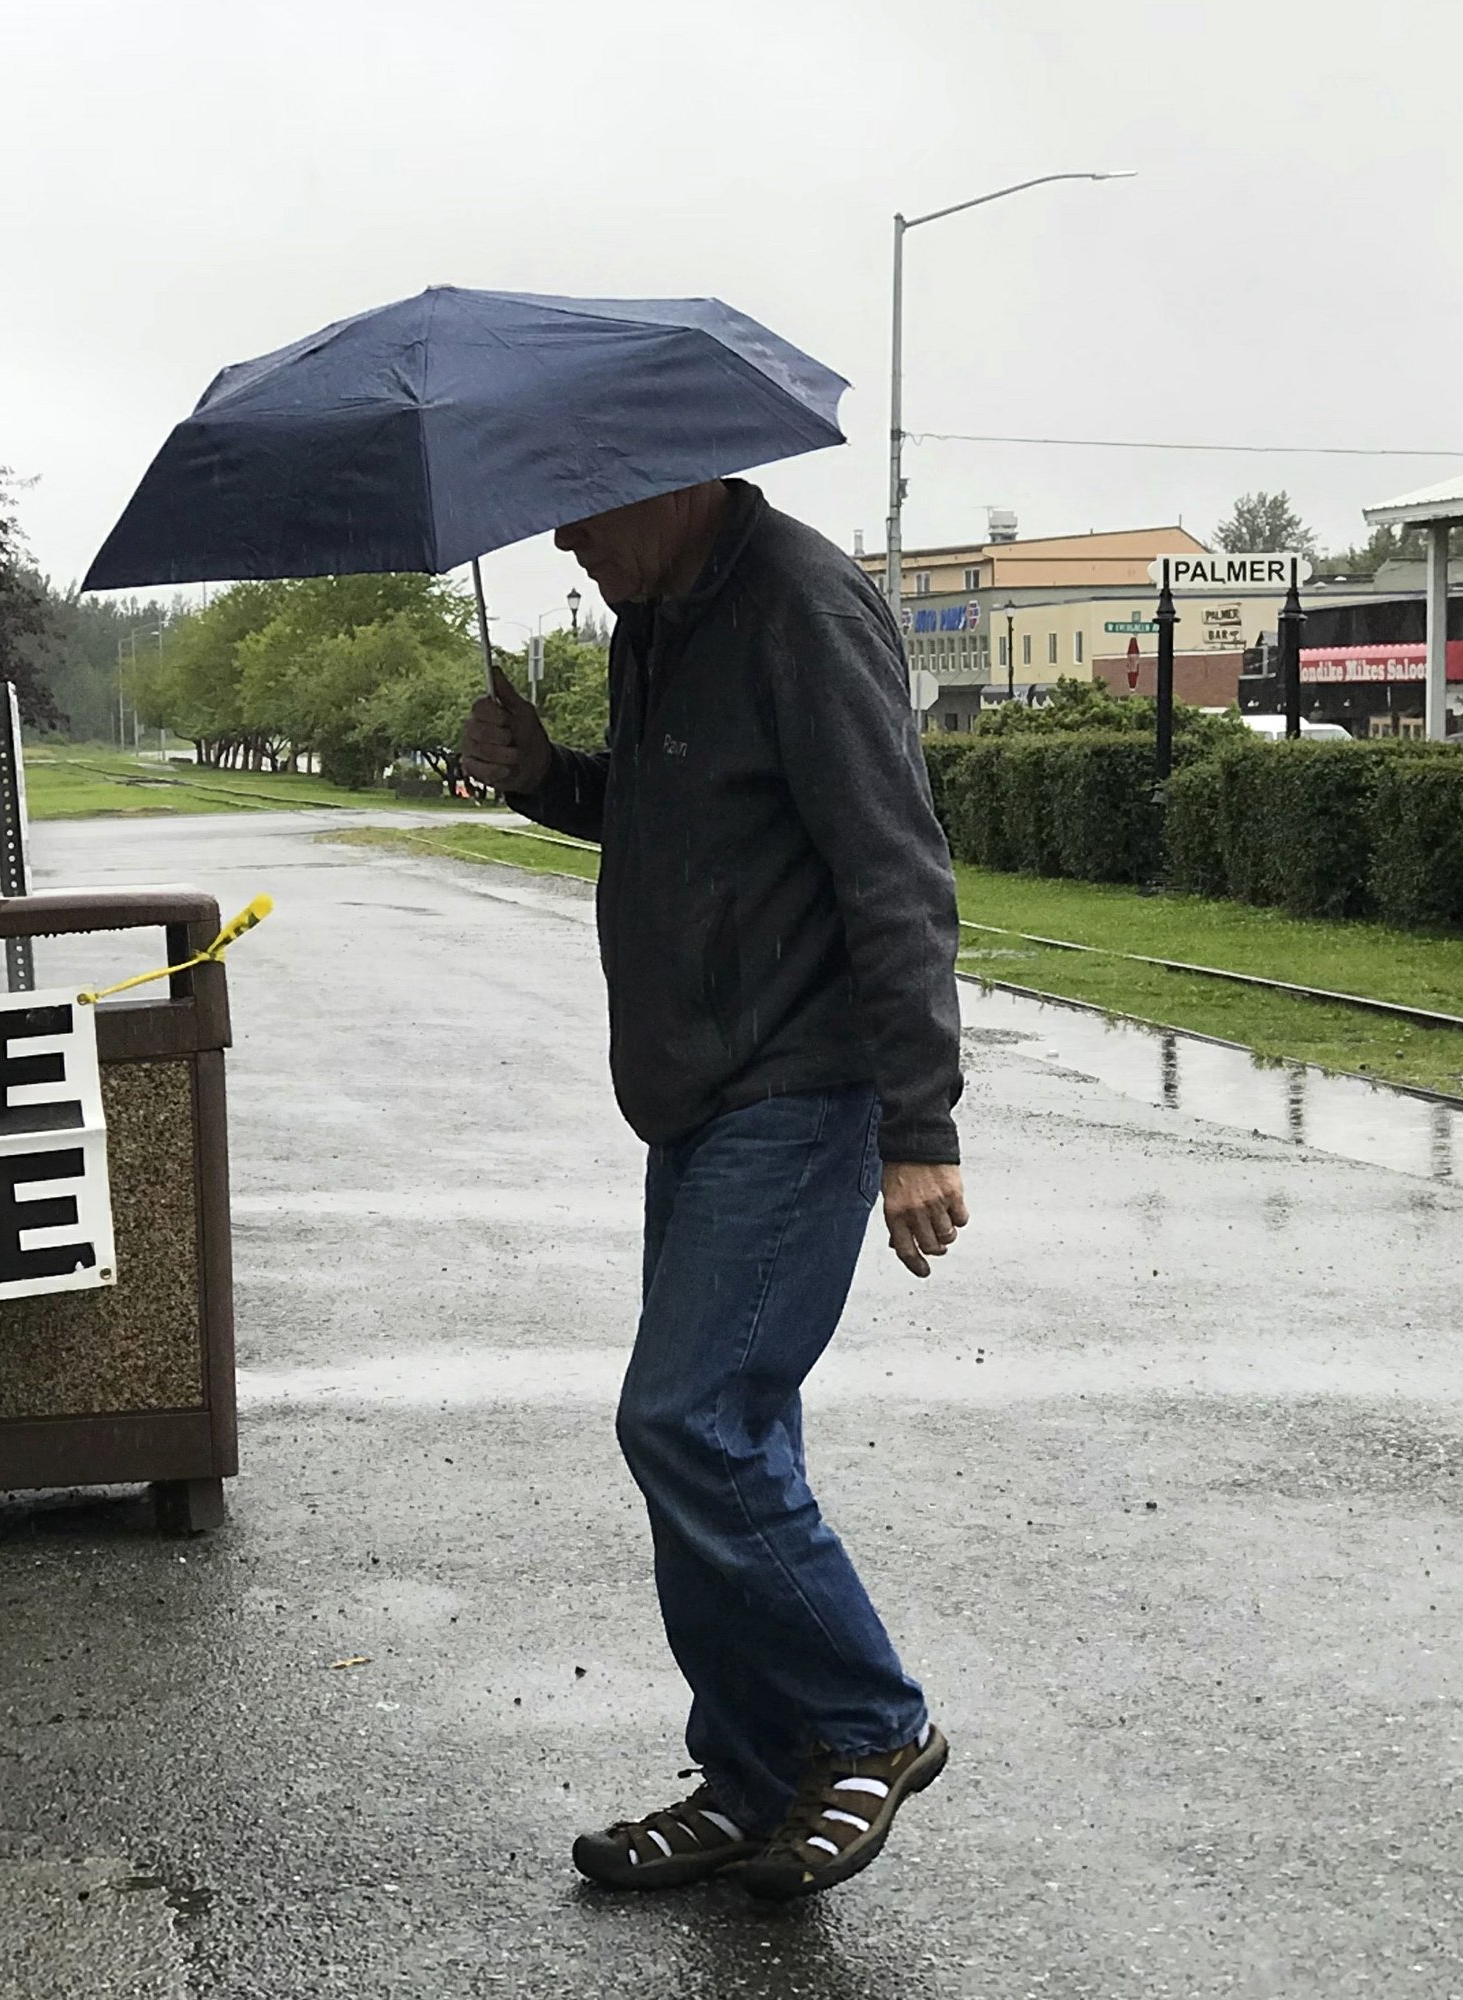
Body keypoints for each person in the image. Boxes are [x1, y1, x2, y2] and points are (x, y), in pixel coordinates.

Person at [460, 477, 968, 1902]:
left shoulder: (801, 605)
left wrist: (918, 1124)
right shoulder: (656, 614)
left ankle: (871, 1722)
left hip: (801, 1087)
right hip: (696, 1094)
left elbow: (895, 867)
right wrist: (545, 776)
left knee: (683, 1419)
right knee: (719, 1439)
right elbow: (674, 821)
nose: (563, 538)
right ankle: (751, 1777)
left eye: (582, 511)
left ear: (675, 484)